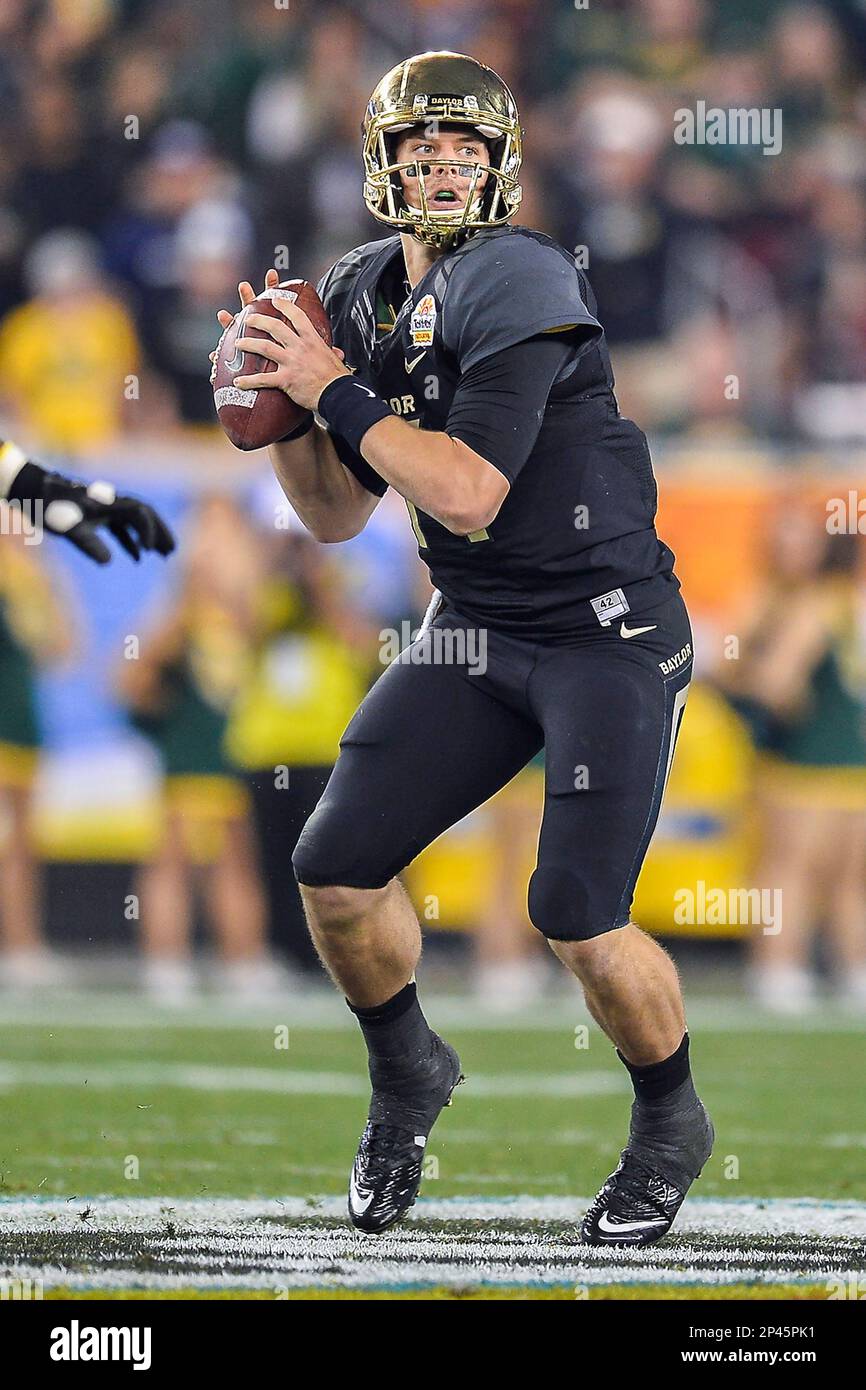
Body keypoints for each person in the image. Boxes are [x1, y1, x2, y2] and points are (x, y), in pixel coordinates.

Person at [215, 51, 712, 1245]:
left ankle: (670, 1120)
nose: (441, 164)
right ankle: (406, 1076)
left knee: (577, 913)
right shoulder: (360, 284)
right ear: (381, 161)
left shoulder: (520, 273)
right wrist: (277, 399)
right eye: (419, 145)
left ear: (499, 164)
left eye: (463, 147)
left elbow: (471, 490)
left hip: (602, 629)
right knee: (332, 870)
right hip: (478, 629)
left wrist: (330, 387)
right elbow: (336, 517)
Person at [116, 495, 275, 1005]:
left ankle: (241, 961)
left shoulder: (245, 615)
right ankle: (168, 962)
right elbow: (130, 683)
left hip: (233, 758)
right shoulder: (180, 615)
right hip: (188, 758)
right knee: (175, 858)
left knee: (234, 860)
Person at [718, 511, 866, 1012]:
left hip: (802, 767)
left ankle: (779, 967)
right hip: (854, 766)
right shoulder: (852, 603)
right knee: (849, 881)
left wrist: (744, 682)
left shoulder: (814, 605)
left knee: (785, 871)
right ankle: (853, 972)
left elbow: (775, 683)